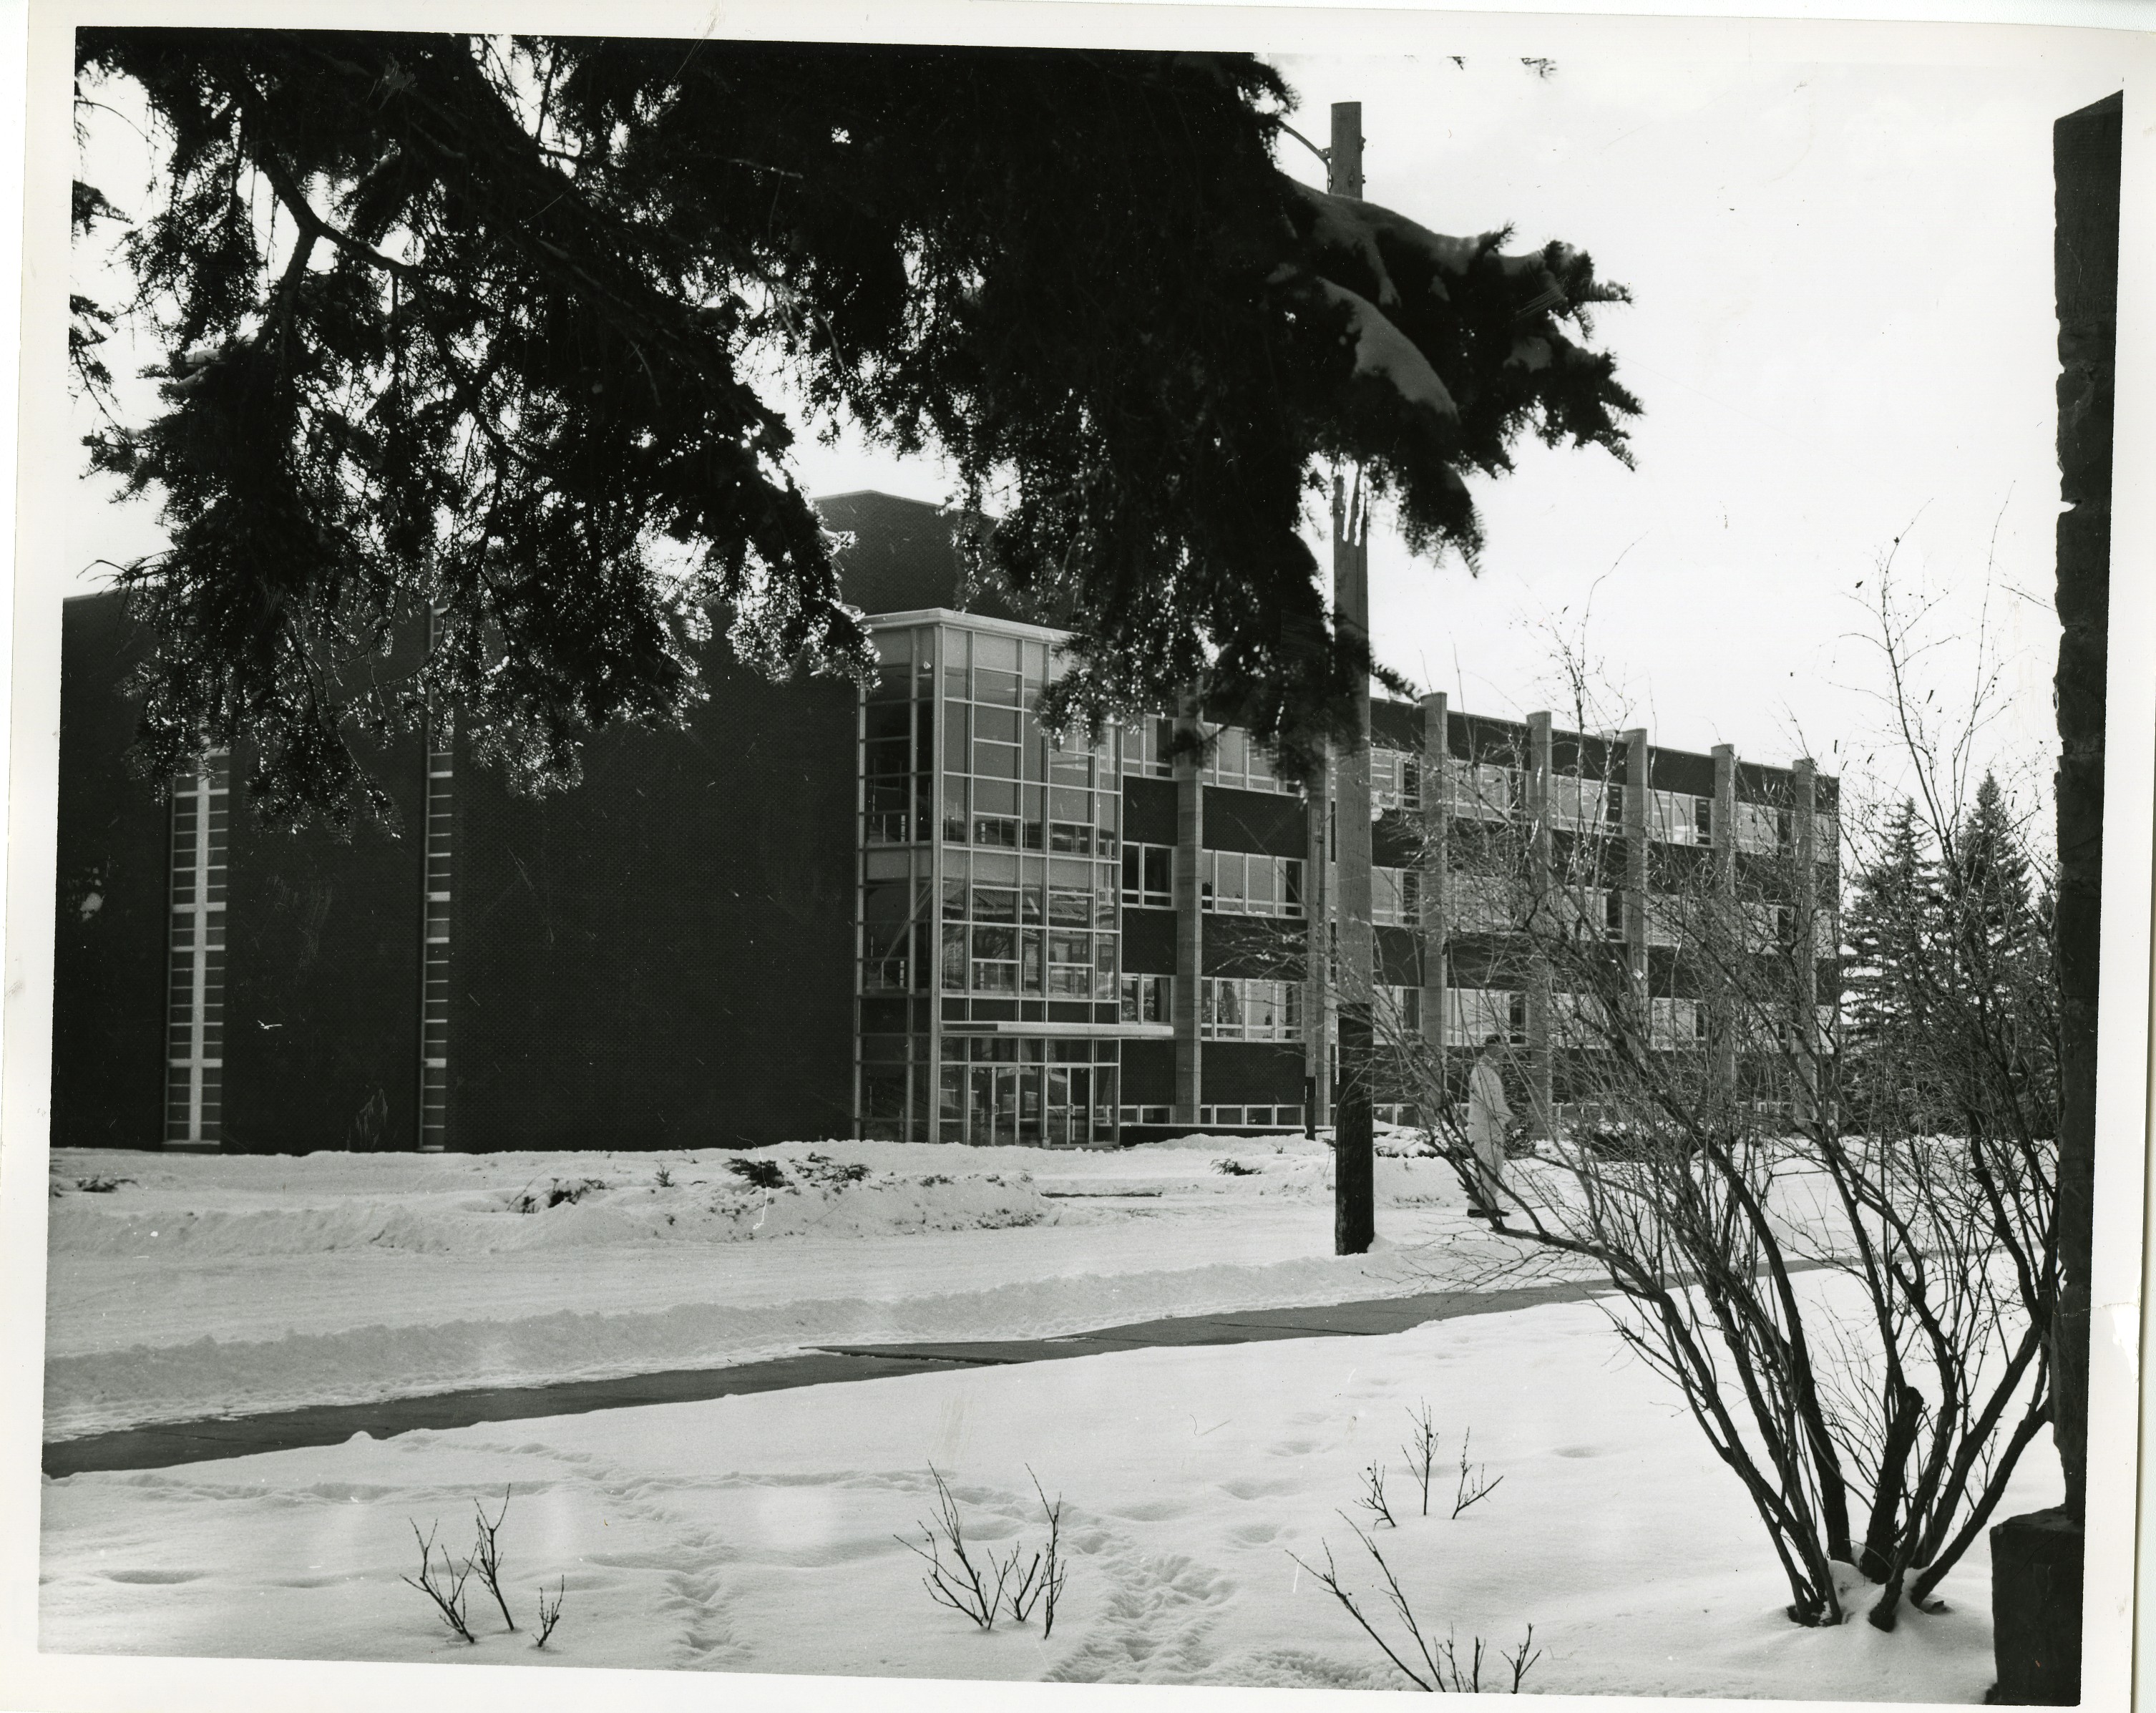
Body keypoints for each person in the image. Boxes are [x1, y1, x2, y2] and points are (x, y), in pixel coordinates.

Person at [1465, 1035, 1513, 1220]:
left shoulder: (1490, 1070)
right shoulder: (1483, 1071)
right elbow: (1492, 1099)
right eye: (1502, 1048)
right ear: (1492, 1048)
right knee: (1487, 1166)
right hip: (1485, 1127)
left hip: (1492, 1127)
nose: (1504, 1052)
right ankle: (1478, 1206)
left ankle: (1488, 1205)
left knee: (1494, 1166)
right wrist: (1509, 1117)